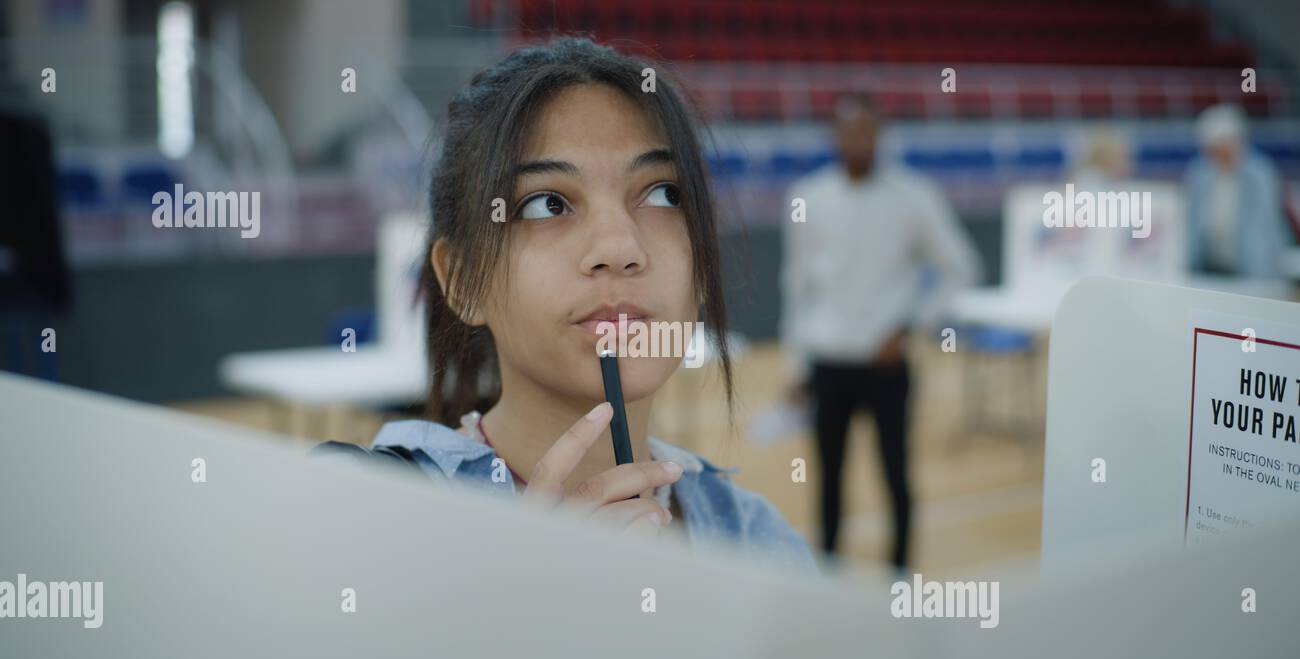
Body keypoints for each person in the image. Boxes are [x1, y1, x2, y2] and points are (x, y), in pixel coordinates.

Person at [356, 37, 815, 573]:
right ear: (461, 280)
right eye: (547, 203)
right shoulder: (370, 523)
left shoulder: (757, 542)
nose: (620, 248)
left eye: (664, 194)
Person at [779, 92, 979, 570]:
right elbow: (797, 284)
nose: (858, 140)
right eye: (849, 130)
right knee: (828, 478)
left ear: (881, 133)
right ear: (834, 135)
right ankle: (827, 574)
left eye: (867, 130)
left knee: (895, 475)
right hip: (828, 363)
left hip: (887, 365)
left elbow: (961, 267)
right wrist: (798, 364)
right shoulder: (807, 198)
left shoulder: (914, 196)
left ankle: (899, 579)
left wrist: (911, 326)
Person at [1184, 103, 1292, 278]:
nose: (1217, 154)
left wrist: (1273, 269)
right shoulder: (1199, 173)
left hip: (1250, 267)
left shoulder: (1260, 173)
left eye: (1222, 147)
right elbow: (1192, 221)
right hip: (1208, 265)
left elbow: (1268, 224)